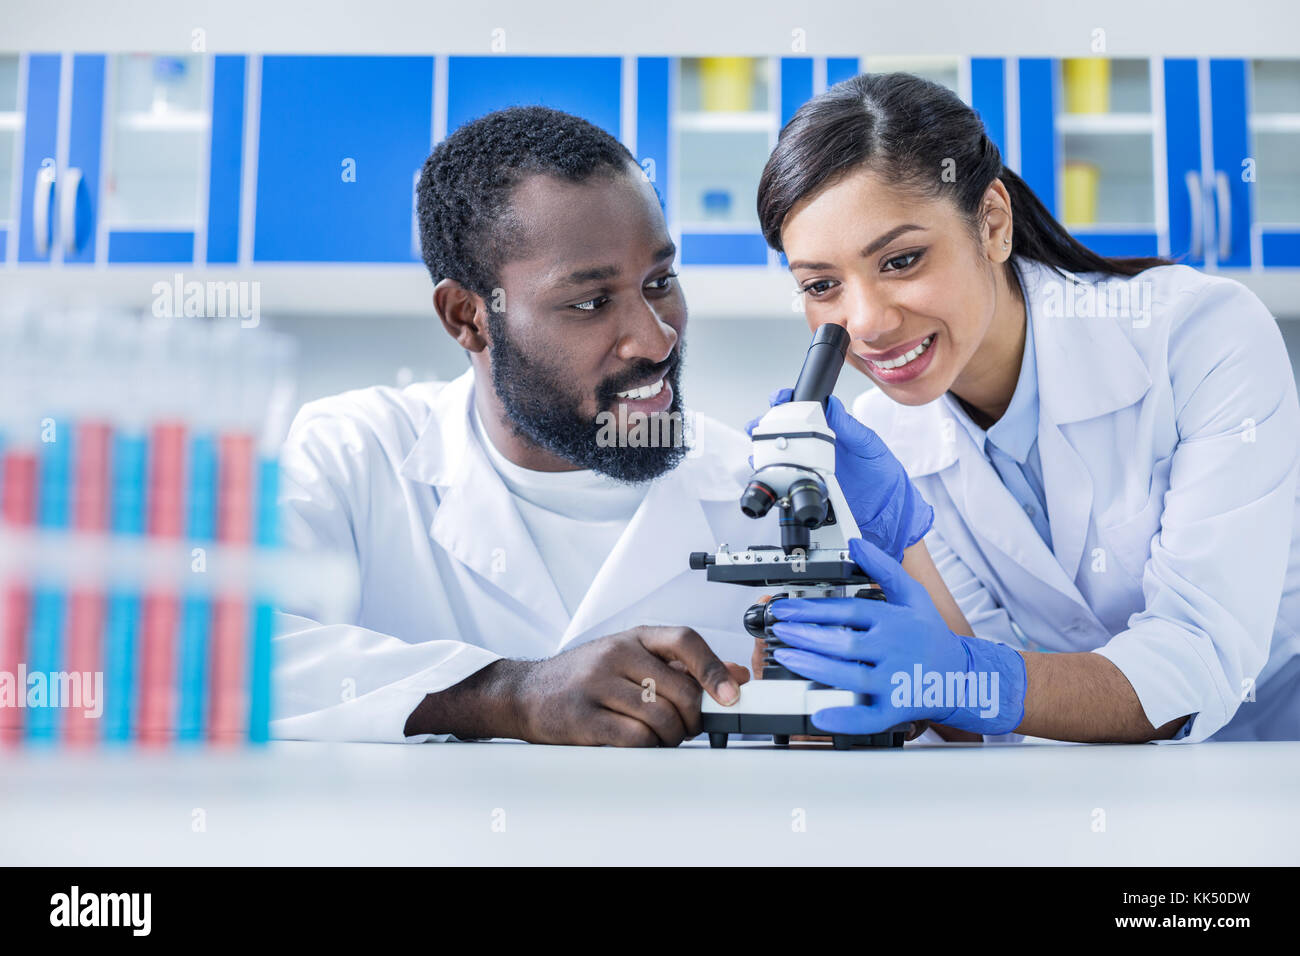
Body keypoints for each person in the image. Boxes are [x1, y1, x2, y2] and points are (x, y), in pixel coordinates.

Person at [748, 72, 1300, 743]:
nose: (865, 323)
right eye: (822, 284)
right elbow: (976, 712)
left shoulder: (1201, 337)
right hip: (1090, 770)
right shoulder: (885, 435)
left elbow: (1194, 659)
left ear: (993, 224)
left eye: (902, 260)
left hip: (1275, 743)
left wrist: (971, 679)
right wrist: (898, 546)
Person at [272, 106, 760, 745]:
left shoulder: (760, 491)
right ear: (468, 317)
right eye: (589, 302)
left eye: (660, 281)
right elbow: (222, 656)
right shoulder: (355, 454)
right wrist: (508, 695)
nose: (655, 336)